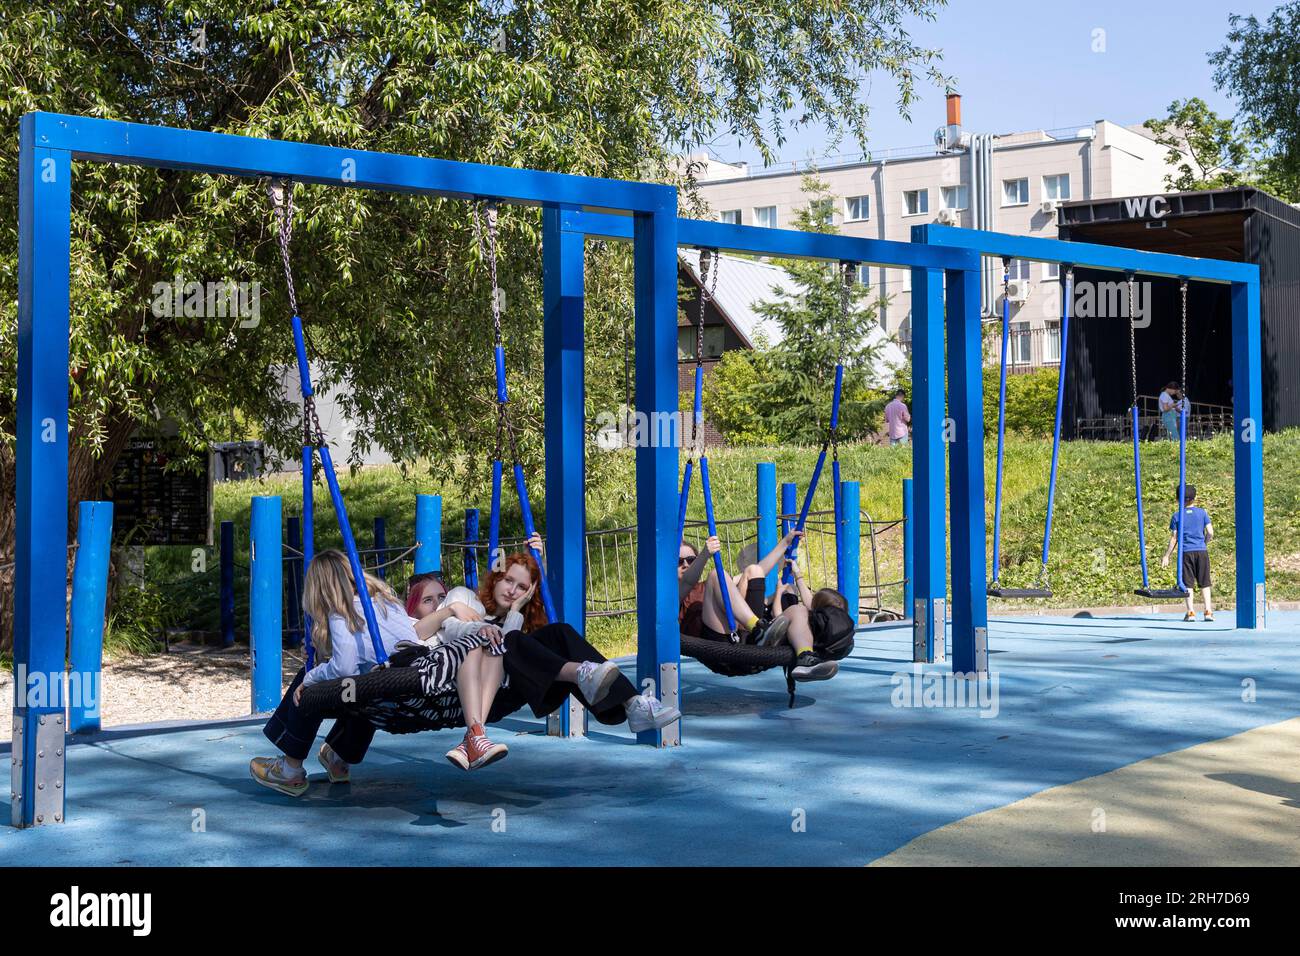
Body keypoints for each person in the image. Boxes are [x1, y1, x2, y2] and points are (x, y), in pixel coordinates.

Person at [249, 550, 491, 795]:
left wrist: (311, 676)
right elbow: (378, 646)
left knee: (311, 681)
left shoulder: (340, 612)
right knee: (363, 682)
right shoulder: (385, 600)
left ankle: (290, 770)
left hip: (391, 687)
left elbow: (344, 666)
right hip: (415, 681)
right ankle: (339, 758)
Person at [412, 534, 681, 744]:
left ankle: (632, 703)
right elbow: (452, 631)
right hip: (466, 671)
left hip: (509, 683)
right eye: (508, 581)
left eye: (521, 588)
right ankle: (581, 675)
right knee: (512, 640)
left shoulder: (515, 621)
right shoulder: (465, 598)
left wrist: (519, 605)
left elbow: (512, 641)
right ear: (495, 579)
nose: (512, 591)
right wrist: (486, 628)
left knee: (558, 632)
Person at [693, 527, 841, 681]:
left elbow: (758, 570)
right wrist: (704, 555)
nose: (686, 564)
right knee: (717, 575)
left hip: (747, 639)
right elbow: (687, 580)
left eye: (691, 559)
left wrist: (785, 543)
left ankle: (805, 658)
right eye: (680, 561)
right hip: (721, 644)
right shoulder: (679, 591)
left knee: (795, 607)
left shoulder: (722, 586)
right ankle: (758, 628)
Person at [1161, 484, 1214, 622]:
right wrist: (1204, 543)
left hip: (1185, 553)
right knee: (1205, 582)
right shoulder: (1202, 513)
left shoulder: (1176, 516)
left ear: (1178, 499)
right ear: (1194, 499)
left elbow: (1174, 537)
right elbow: (1210, 532)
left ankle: (1191, 612)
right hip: (1201, 551)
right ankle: (1208, 611)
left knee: (1188, 583)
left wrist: (1167, 555)